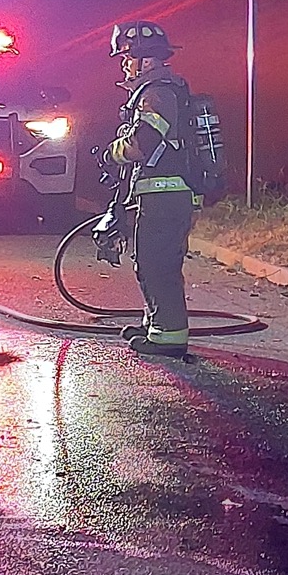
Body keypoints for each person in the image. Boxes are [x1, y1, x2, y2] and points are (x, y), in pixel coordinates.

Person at [96, 20, 200, 358]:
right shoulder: (156, 90)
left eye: (126, 57)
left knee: (158, 266)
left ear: (145, 60)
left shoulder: (157, 93)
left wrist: (111, 152)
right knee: (150, 262)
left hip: (167, 199)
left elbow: (143, 144)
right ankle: (156, 323)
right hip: (161, 197)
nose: (124, 65)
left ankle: (168, 339)